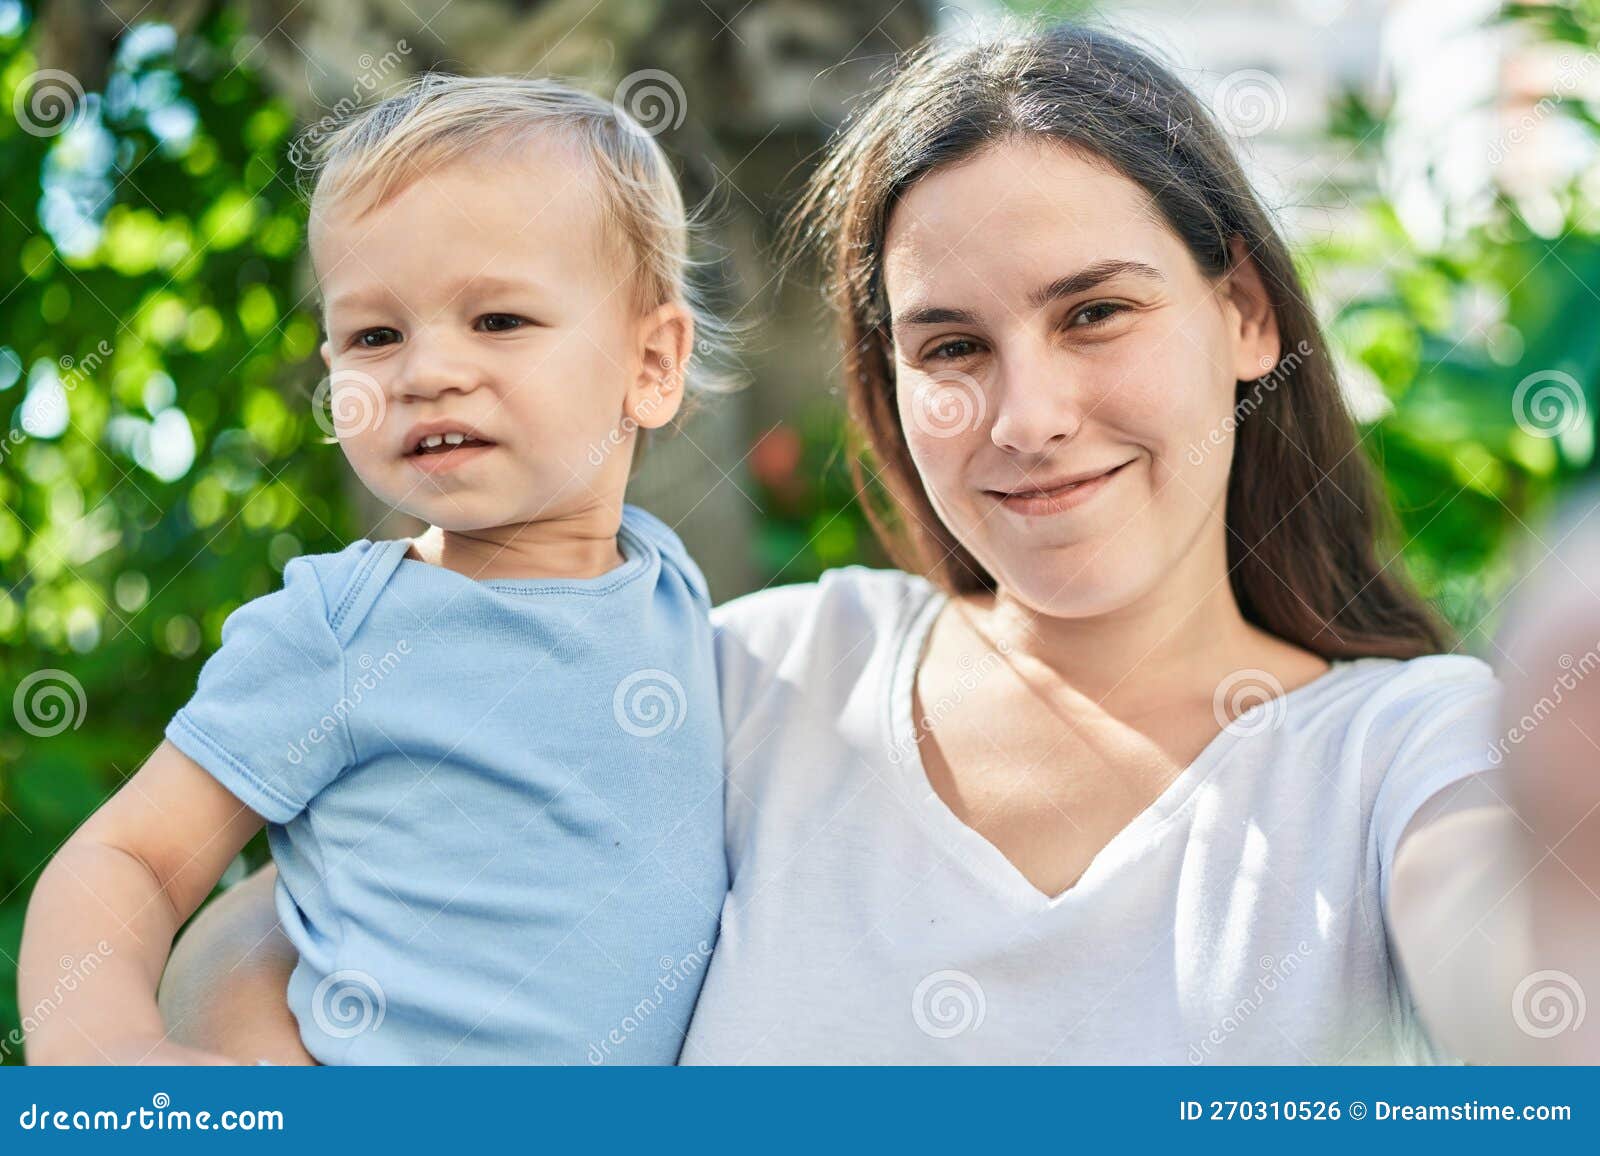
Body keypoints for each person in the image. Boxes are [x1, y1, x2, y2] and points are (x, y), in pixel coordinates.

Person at [157, 23, 1564, 1063]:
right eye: (951, 344)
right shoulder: (752, 682)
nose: (1031, 415)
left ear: (1245, 314)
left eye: (1095, 313)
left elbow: (1516, 968)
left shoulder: (1402, 749)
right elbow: (282, 937)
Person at [18, 75, 730, 1065]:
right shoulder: (343, 623)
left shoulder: (669, 587)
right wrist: (105, 1052)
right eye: (375, 335)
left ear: (651, 365)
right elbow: (130, 854)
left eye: (498, 321)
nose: (426, 370)